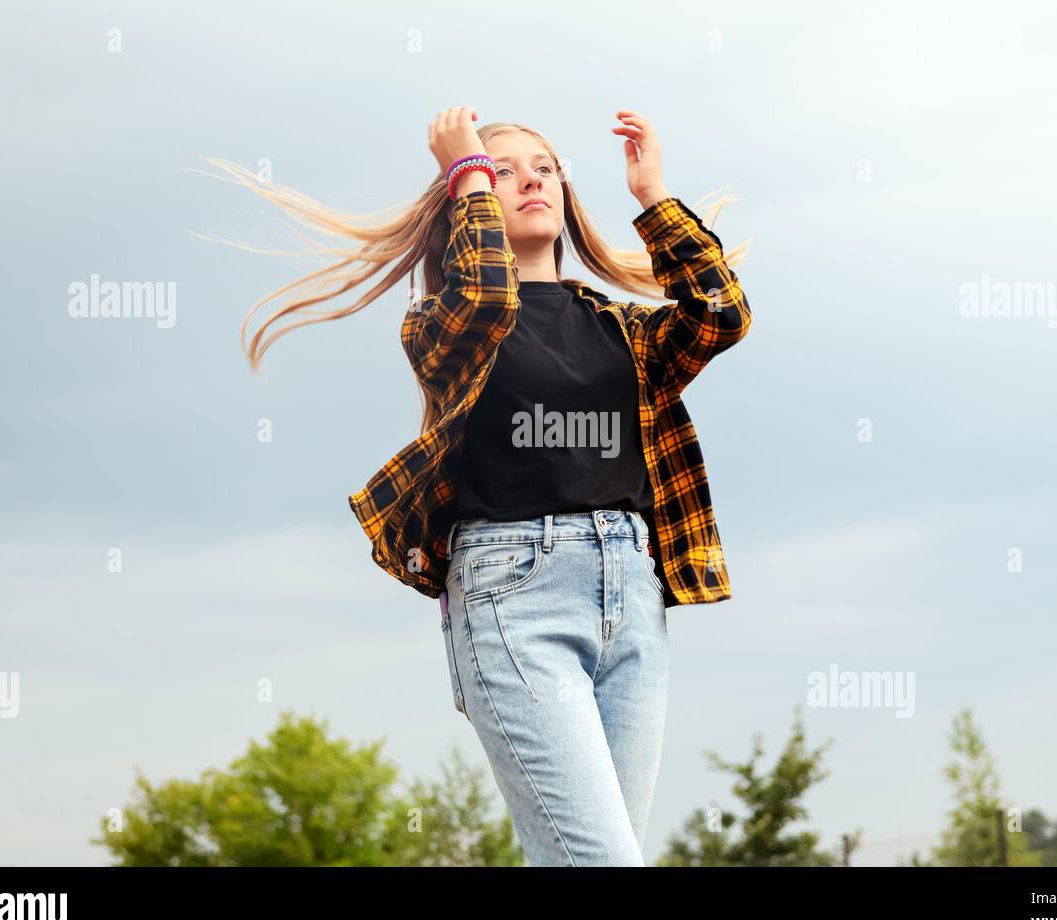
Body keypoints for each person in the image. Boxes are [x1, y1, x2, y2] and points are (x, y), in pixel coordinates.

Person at [205, 106, 752, 865]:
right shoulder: (443, 324)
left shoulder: (623, 331)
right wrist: (464, 170)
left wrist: (654, 198)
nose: (530, 176)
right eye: (502, 169)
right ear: (468, 205)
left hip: (632, 598)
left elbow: (720, 315)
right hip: (515, 597)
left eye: (546, 165)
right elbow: (489, 299)